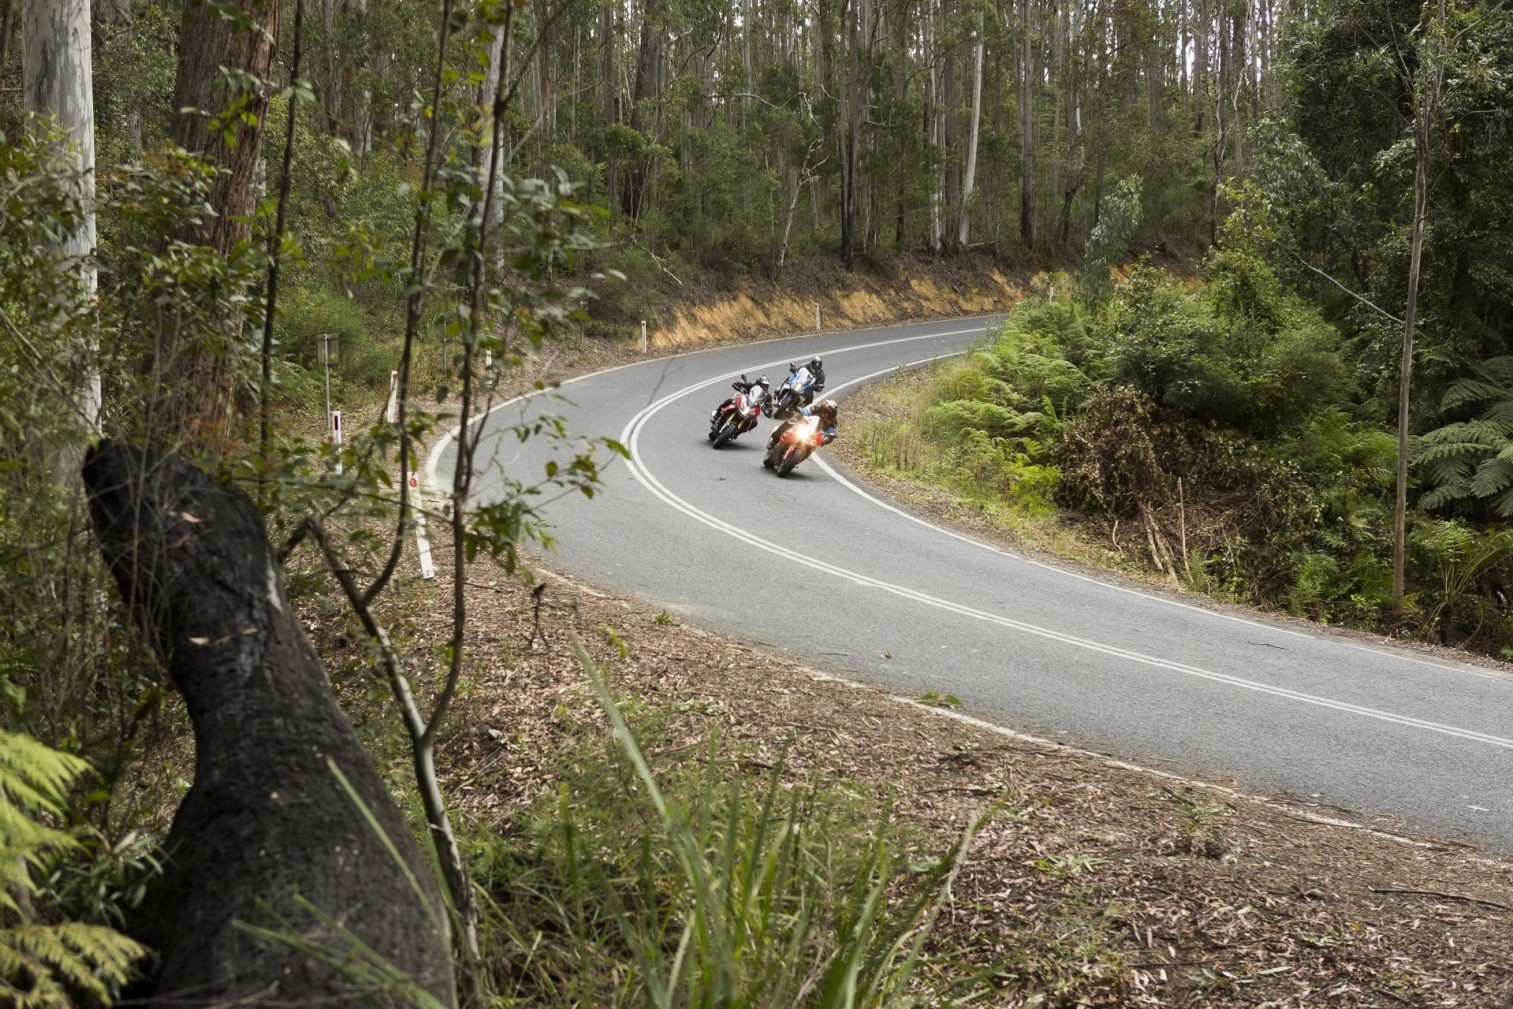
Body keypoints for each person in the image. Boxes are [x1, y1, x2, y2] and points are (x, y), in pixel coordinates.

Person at [765, 398, 838, 464]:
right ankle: (774, 439)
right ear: (822, 409)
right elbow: (804, 411)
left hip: (813, 435)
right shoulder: (815, 409)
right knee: (790, 423)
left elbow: (831, 434)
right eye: (826, 412)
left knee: (814, 445)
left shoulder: (833, 422)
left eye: (831, 414)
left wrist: (824, 440)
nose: (827, 415)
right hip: (804, 426)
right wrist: (799, 415)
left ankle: (803, 455)